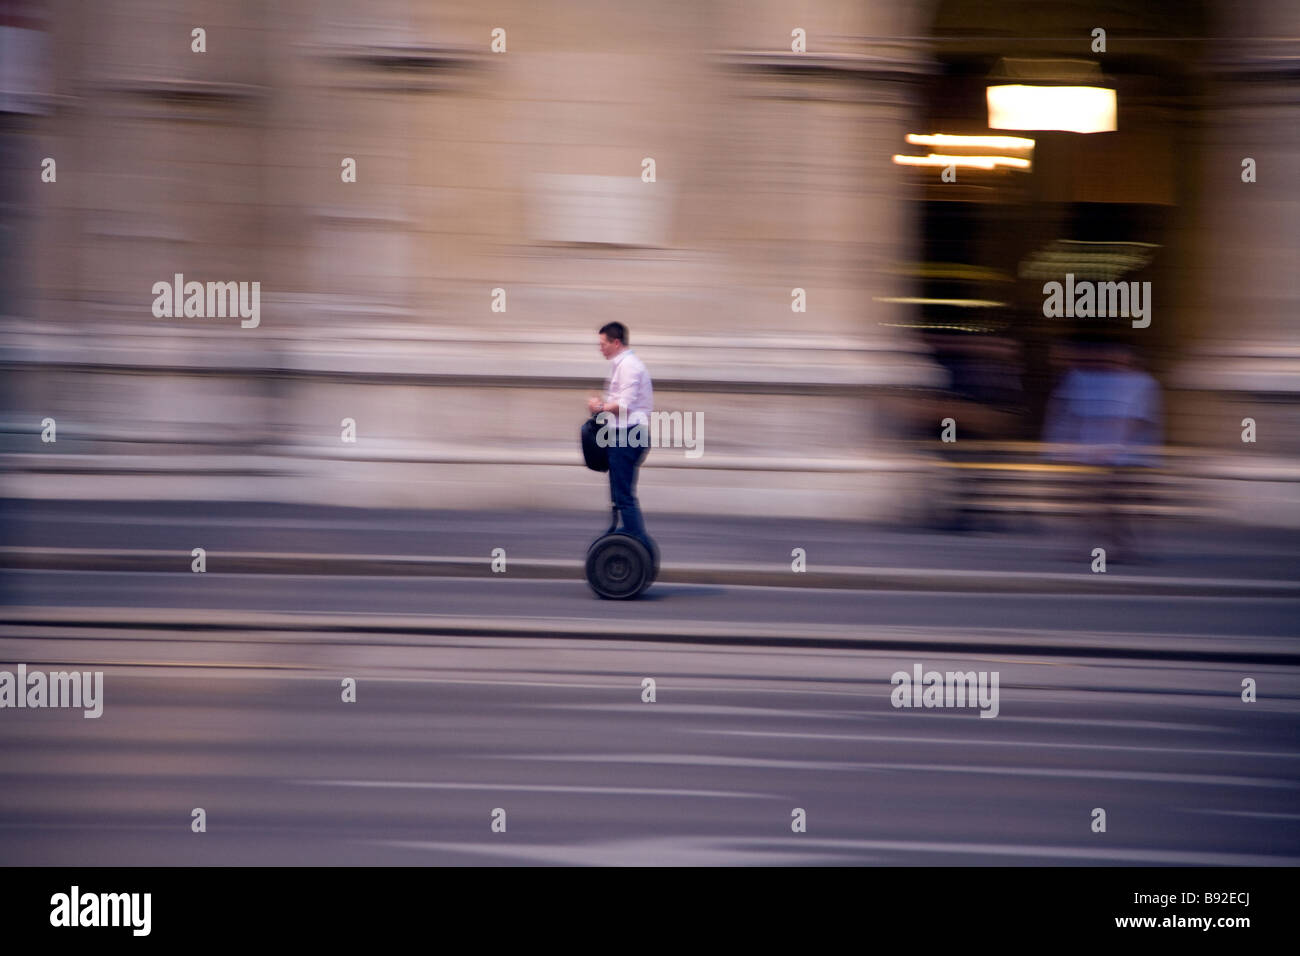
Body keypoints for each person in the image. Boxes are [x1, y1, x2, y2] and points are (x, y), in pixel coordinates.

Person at [587, 322, 654, 544]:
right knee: (619, 494)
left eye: (603, 343)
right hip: (624, 434)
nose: (600, 348)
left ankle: (636, 544)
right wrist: (604, 406)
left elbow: (624, 406)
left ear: (616, 342)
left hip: (629, 435)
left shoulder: (629, 366)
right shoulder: (621, 365)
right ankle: (625, 538)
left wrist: (599, 407)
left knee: (624, 496)